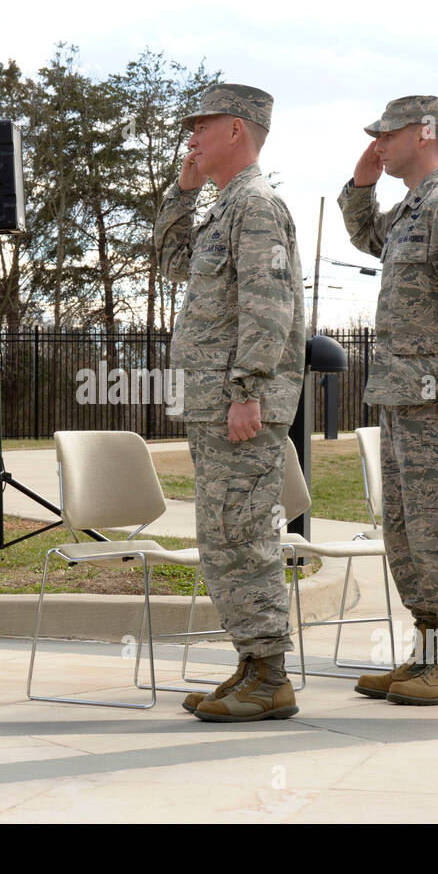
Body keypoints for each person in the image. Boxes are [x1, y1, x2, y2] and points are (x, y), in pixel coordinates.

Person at [339, 95, 438, 706]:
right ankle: (426, 654)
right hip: (403, 398)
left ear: (425, 134)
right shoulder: (413, 208)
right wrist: (363, 181)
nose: (379, 141)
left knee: (437, 529)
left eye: (388, 133)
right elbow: (365, 235)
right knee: (406, 531)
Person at [155, 84, 306, 722]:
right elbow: (167, 261)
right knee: (223, 537)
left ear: (237, 131)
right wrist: (182, 193)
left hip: (237, 403)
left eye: (201, 126)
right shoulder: (222, 208)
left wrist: (247, 390)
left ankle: (270, 676)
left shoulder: (259, 206)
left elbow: (269, 305)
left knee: (242, 535)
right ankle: (250, 664)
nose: (190, 136)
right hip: (212, 400)